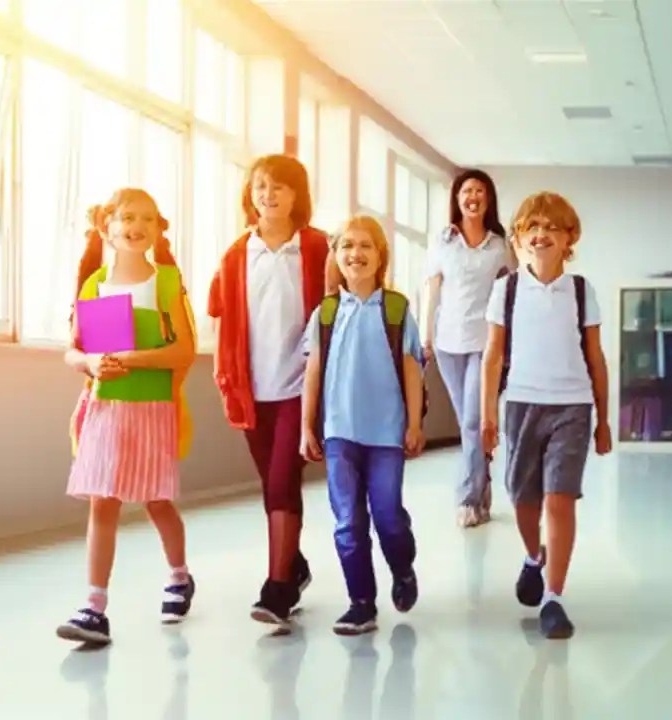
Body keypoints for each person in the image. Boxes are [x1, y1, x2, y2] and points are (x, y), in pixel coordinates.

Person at [57, 188, 197, 644]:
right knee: (103, 501)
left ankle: (179, 575)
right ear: (107, 227)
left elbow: (183, 350)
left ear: (158, 230)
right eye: (127, 217)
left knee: (156, 500)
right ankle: (94, 605)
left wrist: (129, 358)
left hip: (152, 407)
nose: (137, 226)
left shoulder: (167, 283)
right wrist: (92, 363)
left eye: (147, 219)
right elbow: (74, 351)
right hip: (106, 405)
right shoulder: (94, 284)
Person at [479, 191, 611, 639]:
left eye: (552, 227)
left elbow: (596, 358)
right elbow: (493, 356)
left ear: (568, 238)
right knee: (522, 497)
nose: (541, 235)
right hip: (521, 404)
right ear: (518, 237)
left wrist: (604, 420)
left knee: (559, 498)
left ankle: (554, 598)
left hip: (572, 406)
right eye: (532, 227)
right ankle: (534, 555)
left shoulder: (580, 290)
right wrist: (487, 416)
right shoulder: (507, 289)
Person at [207, 154, 331, 627]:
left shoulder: (318, 248)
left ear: (297, 196)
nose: (269, 194)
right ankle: (293, 565)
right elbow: (218, 312)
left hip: (301, 388)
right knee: (272, 485)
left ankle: (277, 588)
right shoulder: (237, 254)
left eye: (280, 186)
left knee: (282, 482)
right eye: (261, 186)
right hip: (250, 390)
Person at [300, 215, 425, 636]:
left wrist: (412, 423)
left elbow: (411, 369)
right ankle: (361, 602)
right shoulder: (326, 312)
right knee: (347, 522)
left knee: (388, 515)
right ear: (336, 256)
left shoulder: (396, 308)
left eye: (366, 245)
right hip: (339, 433)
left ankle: (402, 567)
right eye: (347, 246)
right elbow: (313, 372)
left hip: (387, 432)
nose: (356, 254)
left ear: (380, 256)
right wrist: (307, 427)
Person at [423, 169, 516, 528]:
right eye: (466, 191)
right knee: (468, 423)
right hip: (448, 343)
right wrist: (427, 335)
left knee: (475, 421)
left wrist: (510, 338)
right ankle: (483, 482)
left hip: (486, 342)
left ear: (487, 199)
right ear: (457, 199)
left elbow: (512, 293)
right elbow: (433, 289)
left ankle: (468, 498)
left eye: (479, 190)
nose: (472, 196)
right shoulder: (443, 241)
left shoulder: (499, 245)